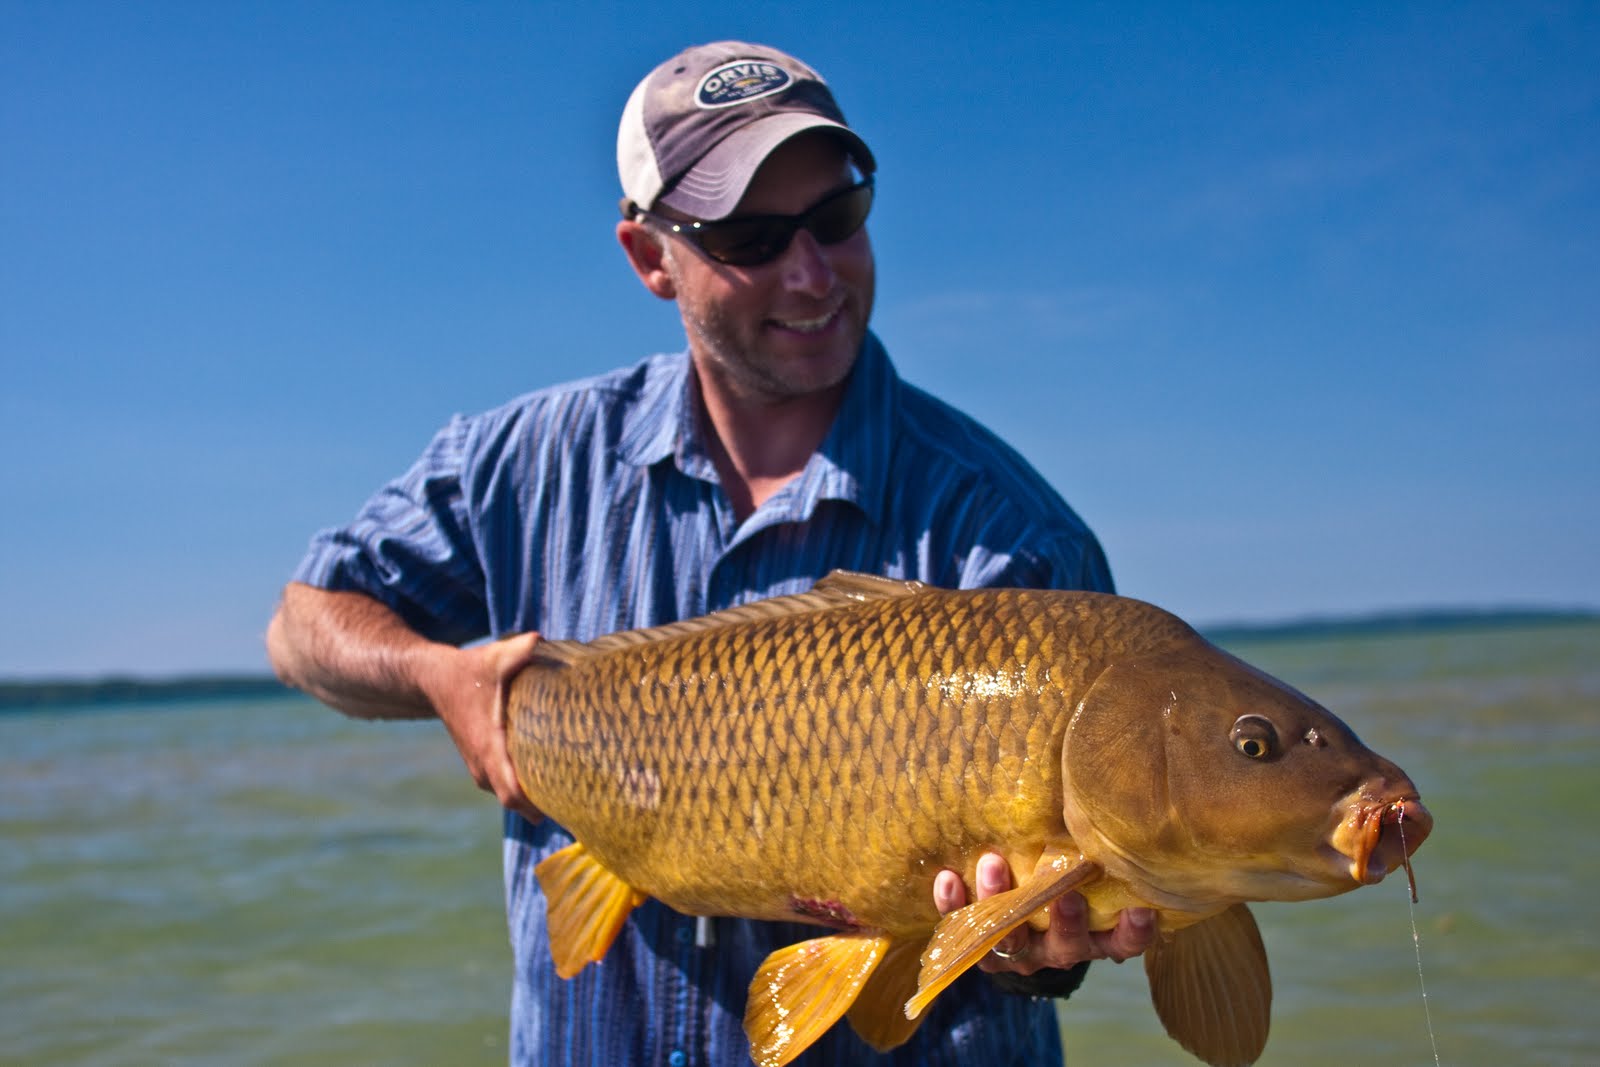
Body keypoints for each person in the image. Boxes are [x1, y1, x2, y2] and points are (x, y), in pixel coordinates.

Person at [267, 40, 1154, 1066]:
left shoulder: (1018, 531)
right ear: (650, 258)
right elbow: (304, 625)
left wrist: (1039, 946)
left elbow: (1061, 938)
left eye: (837, 216)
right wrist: (438, 676)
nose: (810, 273)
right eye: (750, 238)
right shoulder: (515, 461)